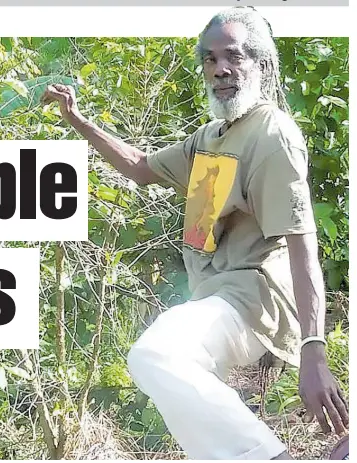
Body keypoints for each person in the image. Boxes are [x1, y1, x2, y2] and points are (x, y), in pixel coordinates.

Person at [41, 6, 348, 461]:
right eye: (209, 59)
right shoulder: (211, 135)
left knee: (156, 354)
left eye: (233, 56)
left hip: (254, 298)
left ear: (260, 63)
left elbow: (303, 244)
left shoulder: (271, 134)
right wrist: (78, 120)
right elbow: (141, 168)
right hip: (214, 295)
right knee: (183, 396)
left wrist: (313, 349)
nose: (220, 68)